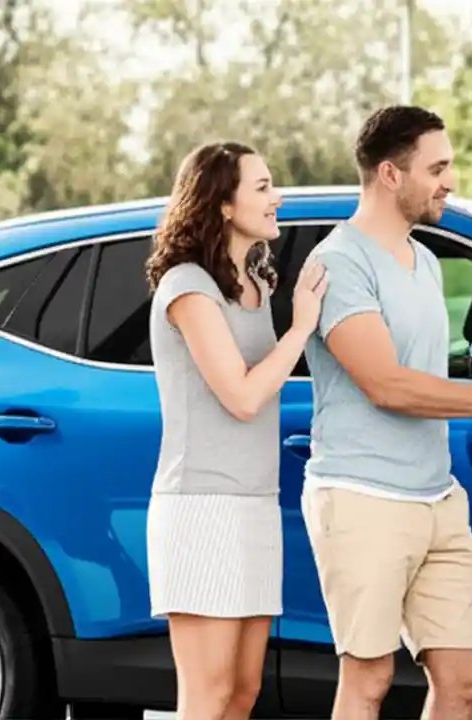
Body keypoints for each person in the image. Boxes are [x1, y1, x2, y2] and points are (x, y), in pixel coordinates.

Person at [299, 105, 472, 720]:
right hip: (364, 497)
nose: (449, 181)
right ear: (390, 174)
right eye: (437, 168)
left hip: (436, 497)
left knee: (464, 680)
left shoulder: (422, 260)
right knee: (368, 680)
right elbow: (387, 385)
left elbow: (431, 377)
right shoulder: (339, 264)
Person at [144, 141, 328, 719]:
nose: (278, 198)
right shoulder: (187, 286)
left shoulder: (255, 284)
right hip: (202, 506)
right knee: (208, 695)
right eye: (263, 187)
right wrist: (301, 328)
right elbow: (244, 397)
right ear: (223, 204)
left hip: (255, 503)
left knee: (244, 690)